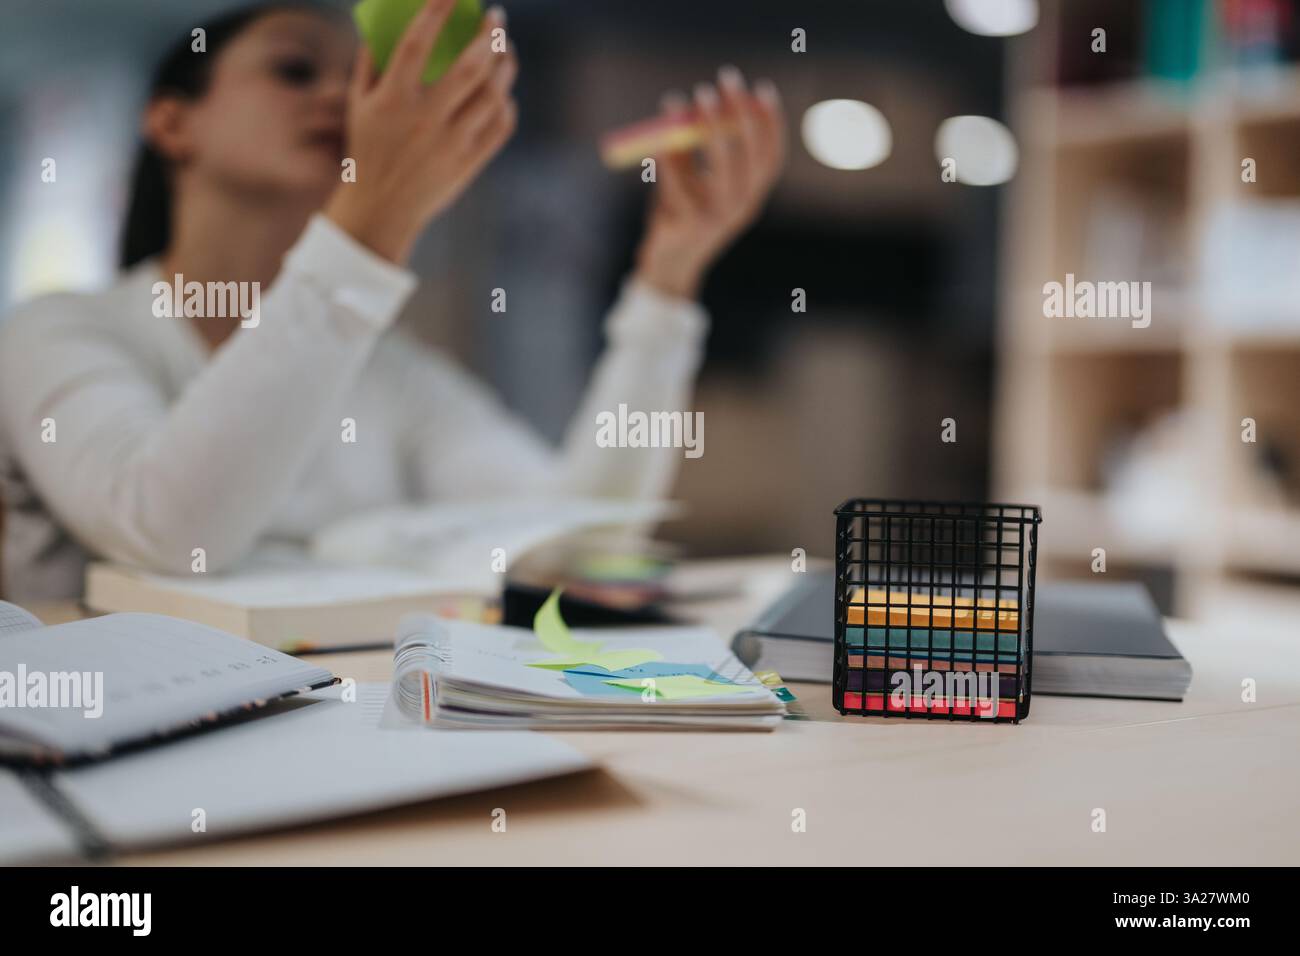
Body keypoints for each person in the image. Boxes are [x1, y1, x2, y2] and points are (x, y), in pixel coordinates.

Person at [0, 0, 786, 600]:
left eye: (360, 74)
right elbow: (170, 535)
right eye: (296, 70)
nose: (346, 97)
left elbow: (582, 544)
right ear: (172, 124)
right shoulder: (57, 331)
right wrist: (372, 224)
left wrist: (667, 281)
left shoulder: (386, 372)